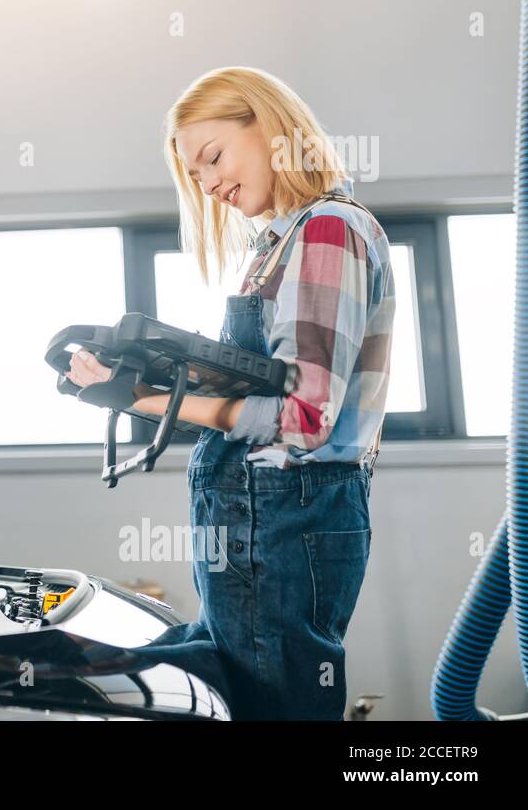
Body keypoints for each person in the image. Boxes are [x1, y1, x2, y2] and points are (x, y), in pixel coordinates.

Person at [67, 66, 395, 720]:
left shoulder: (327, 228)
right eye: (195, 175)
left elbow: (302, 419)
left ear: (271, 127)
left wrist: (144, 400)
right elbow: (264, 393)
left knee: (267, 705)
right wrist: (137, 383)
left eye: (213, 157)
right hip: (263, 514)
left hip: (282, 512)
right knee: (221, 685)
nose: (209, 183)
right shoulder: (273, 247)